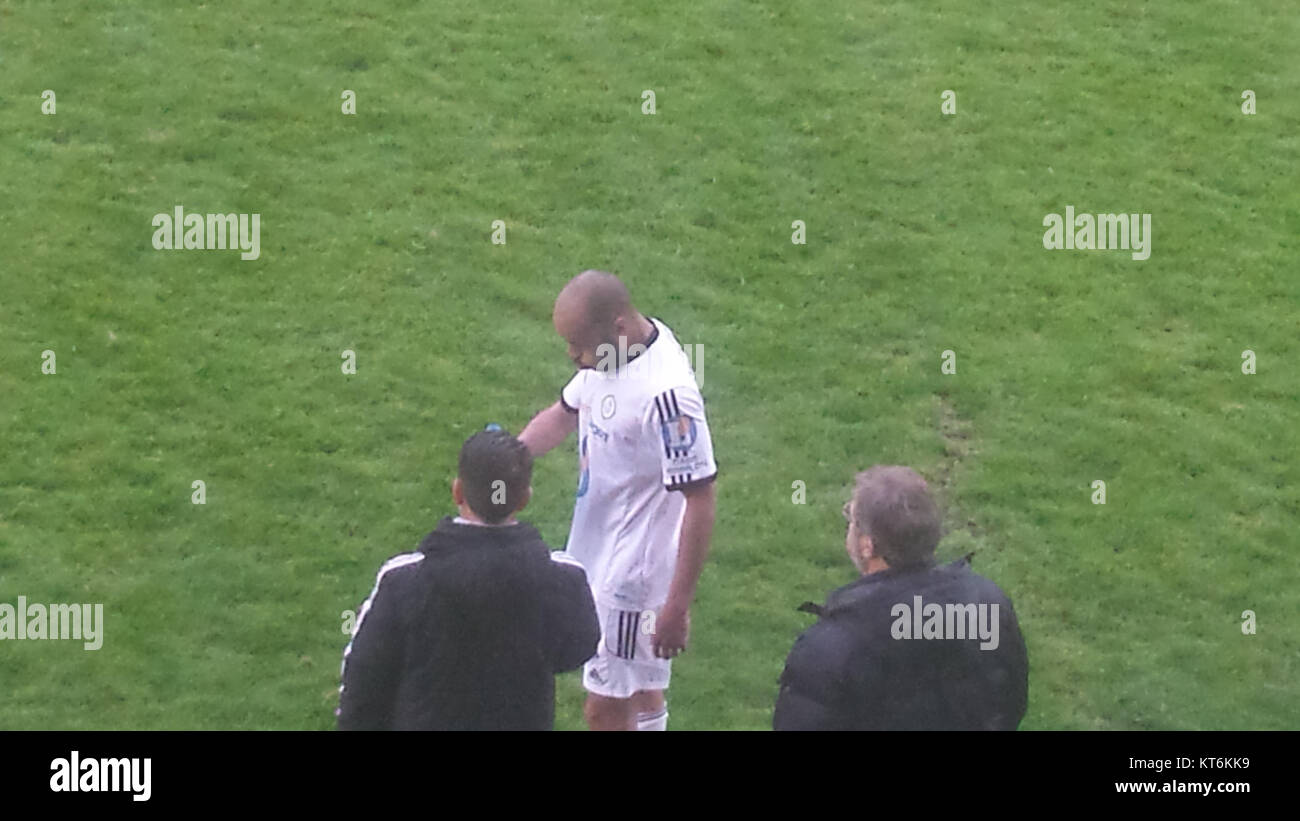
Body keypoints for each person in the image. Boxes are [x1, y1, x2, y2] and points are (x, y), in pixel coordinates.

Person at [519, 270, 718, 731]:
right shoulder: (608, 358)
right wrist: (509, 458)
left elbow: (701, 499)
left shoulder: (667, 398)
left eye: (579, 344)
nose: (572, 356)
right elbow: (563, 414)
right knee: (641, 688)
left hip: (630, 582)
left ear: (619, 326)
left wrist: (676, 606)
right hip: (599, 557)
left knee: (605, 708)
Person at [337, 428, 599, 730]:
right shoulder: (563, 579)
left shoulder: (402, 581)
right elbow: (578, 647)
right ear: (525, 498)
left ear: (457, 491)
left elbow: (363, 680)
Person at [773, 465, 1028, 730]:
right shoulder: (986, 604)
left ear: (867, 545)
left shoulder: (831, 648)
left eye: (851, 518)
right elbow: (1010, 700)